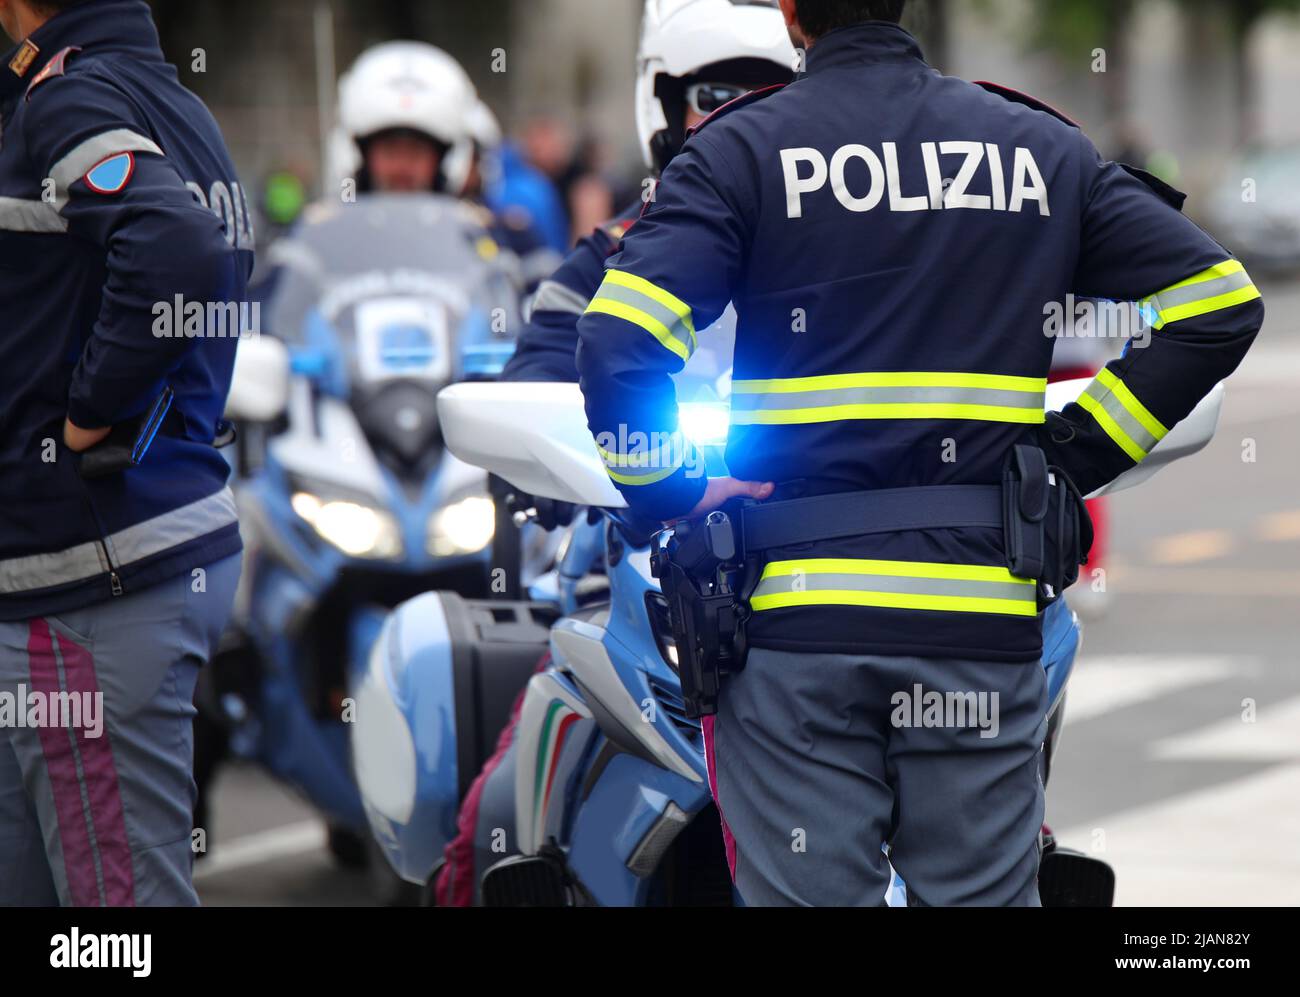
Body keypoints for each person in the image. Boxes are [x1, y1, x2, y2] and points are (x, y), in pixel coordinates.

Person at [574, 0, 1263, 906]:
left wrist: (674, 490)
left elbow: (618, 343)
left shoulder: (742, 149)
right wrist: (1067, 458)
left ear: (791, 10)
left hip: (796, 630)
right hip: (979, 623)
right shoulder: (1033, 147)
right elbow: (1218, 302)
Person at [436, 0, 795, 906]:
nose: (738, 114)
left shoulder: (834, 253)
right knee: (486, 831)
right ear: (662, 107)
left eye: (768, 93)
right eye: (715, 95)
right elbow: (534, 383)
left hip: (808, 579)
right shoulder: (607, 259)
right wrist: (550, 466)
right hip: (624, 584)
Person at [0, 0, 252, 905]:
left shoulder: (65, 98)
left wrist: (88, 412)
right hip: (127, 556)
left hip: (86, 577)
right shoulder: (172, 101)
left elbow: (176, 251)